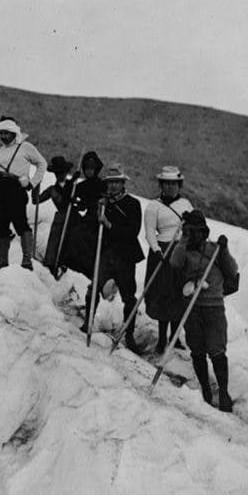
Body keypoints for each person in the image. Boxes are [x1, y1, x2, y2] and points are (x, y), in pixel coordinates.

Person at [168, 209, 239, 411]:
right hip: (192, 308)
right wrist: (183, 240)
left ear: (205, 232)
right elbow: (175, 263)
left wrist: (224, 250)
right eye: (190, 231)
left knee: (217, 351)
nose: (194, 235)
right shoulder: (183, 251)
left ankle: (224, 391)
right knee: (197, 350)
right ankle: (206, 390)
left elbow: (232, 270)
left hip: (214, 307)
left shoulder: (215, 249)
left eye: (197, 231)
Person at [79, 165, 145, 352]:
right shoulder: (102, 203)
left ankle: (129, 333)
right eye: (110, 183)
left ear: (123, 183)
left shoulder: (133, 204)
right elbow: (92, 227)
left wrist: (108, 224)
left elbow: (133, 231)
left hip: (125, 256)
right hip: (106, 254)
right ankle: (88, 322)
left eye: (117, 182)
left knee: (128, 296)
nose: (114, 186)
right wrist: (97, 213)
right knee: (94, 287)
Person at [0, 118, 47, 272]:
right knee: (0, 224)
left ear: (14, 133)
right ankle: (2, 261)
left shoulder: (25, 147)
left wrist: (32, 183)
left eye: (6, 133)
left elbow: (42, 164)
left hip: (16, 190)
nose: (3, 136)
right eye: (1, 133)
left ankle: (27, 261)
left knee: (20, 223)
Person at [143, 166, 194, 354]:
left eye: (174, 184)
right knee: (163, 295)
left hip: (181, 252)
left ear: (179, 185)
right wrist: (157, 251)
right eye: (167, 183)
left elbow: (195, 226)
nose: (171, 187)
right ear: (161, 184)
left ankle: (175, 337)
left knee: (178, 295)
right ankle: (162, 339)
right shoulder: (153, 206)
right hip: (162, 254)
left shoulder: (186, 204)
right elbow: (149, 232)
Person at [63, 151, 105, 276]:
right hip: (88, 219)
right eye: (86, 168)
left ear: (96, 169)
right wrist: (72, 180)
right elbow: (67, 193)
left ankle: (92, 274)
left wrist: (87, 204)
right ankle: (75, 270)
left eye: (92, 168)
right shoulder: (82, 185)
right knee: (75, 235)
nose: (89, 171)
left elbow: (103, 200)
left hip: (100, 219)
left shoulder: (102, 184)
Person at [39, 155, 75, 273]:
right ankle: (50, 265)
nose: (60, 175)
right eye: (57, 173)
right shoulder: (52, 190)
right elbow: (36, 200)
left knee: (70, 241)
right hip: (60, 217)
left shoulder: (73, 186)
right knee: (54, 240)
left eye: (62, 172)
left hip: (72, 217)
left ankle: (65, 264)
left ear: (66, 172)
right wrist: (35, 186)